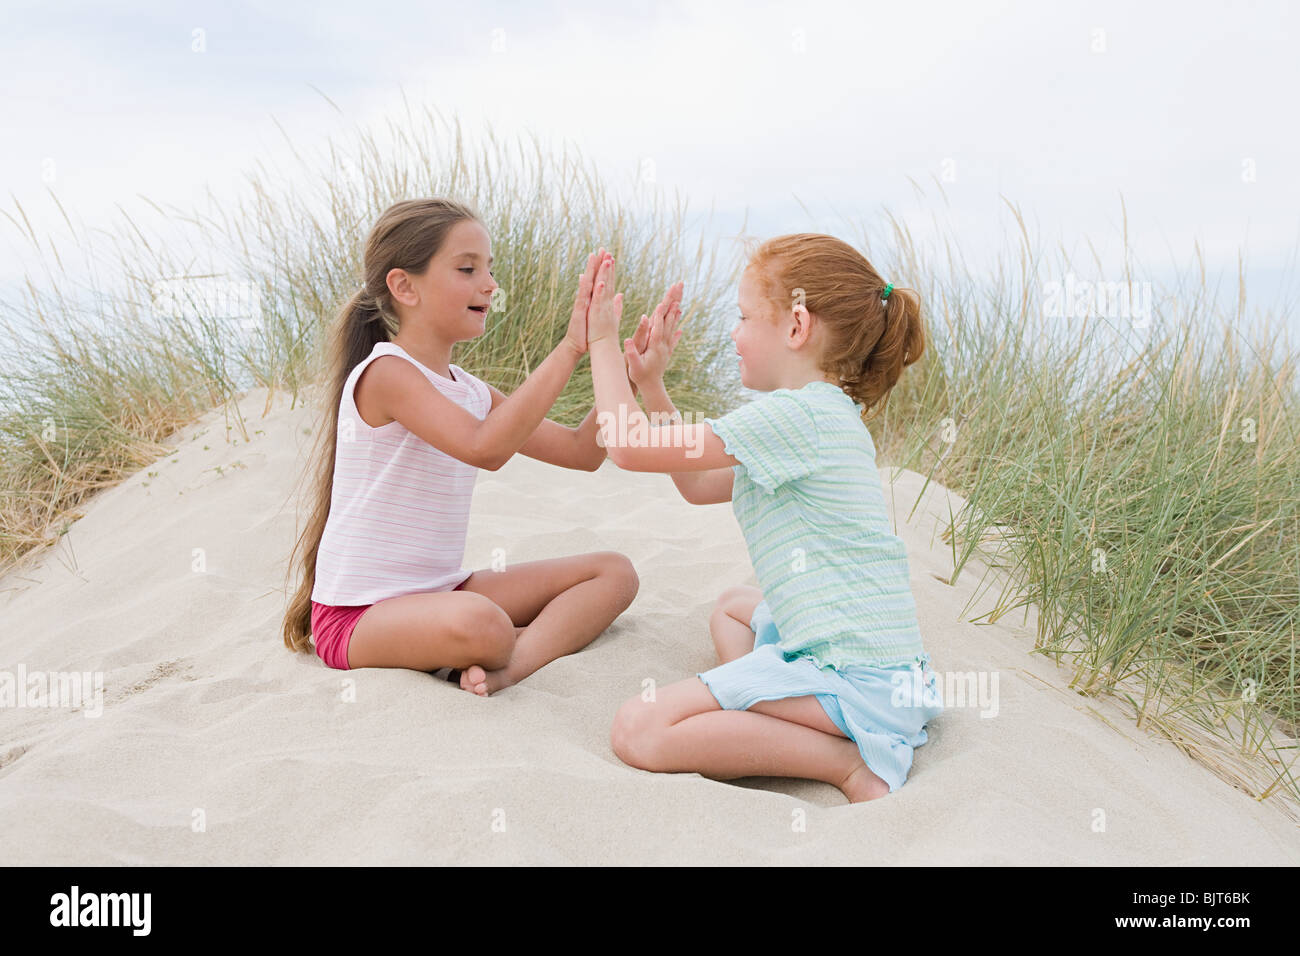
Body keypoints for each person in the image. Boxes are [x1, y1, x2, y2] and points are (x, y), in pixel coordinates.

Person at [588, 234, 943, 802]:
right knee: (732, 608)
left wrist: (600, 337)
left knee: (639, 728)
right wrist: (652, 385)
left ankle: (845, 763)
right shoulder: (825, 415)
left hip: (858, 682)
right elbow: (700, 486)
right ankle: (779, 710)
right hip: (887, 673)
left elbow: (627, 448)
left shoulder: (794, 416)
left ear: (797, 327)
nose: (734, 332)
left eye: (745, 316)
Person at [282, 198, 639, 696]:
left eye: (489, 269)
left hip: (441, 592)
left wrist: (628, 375)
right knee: (484, 624)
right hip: (357, 617)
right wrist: (570, 347)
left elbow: (582, 452)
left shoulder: (469, 390)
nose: (489, 284)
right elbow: (483, 448)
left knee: (614, 573)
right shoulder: (386, 373)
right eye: (467, 269)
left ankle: (510, 665)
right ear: (405, 286)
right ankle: (506, 643)